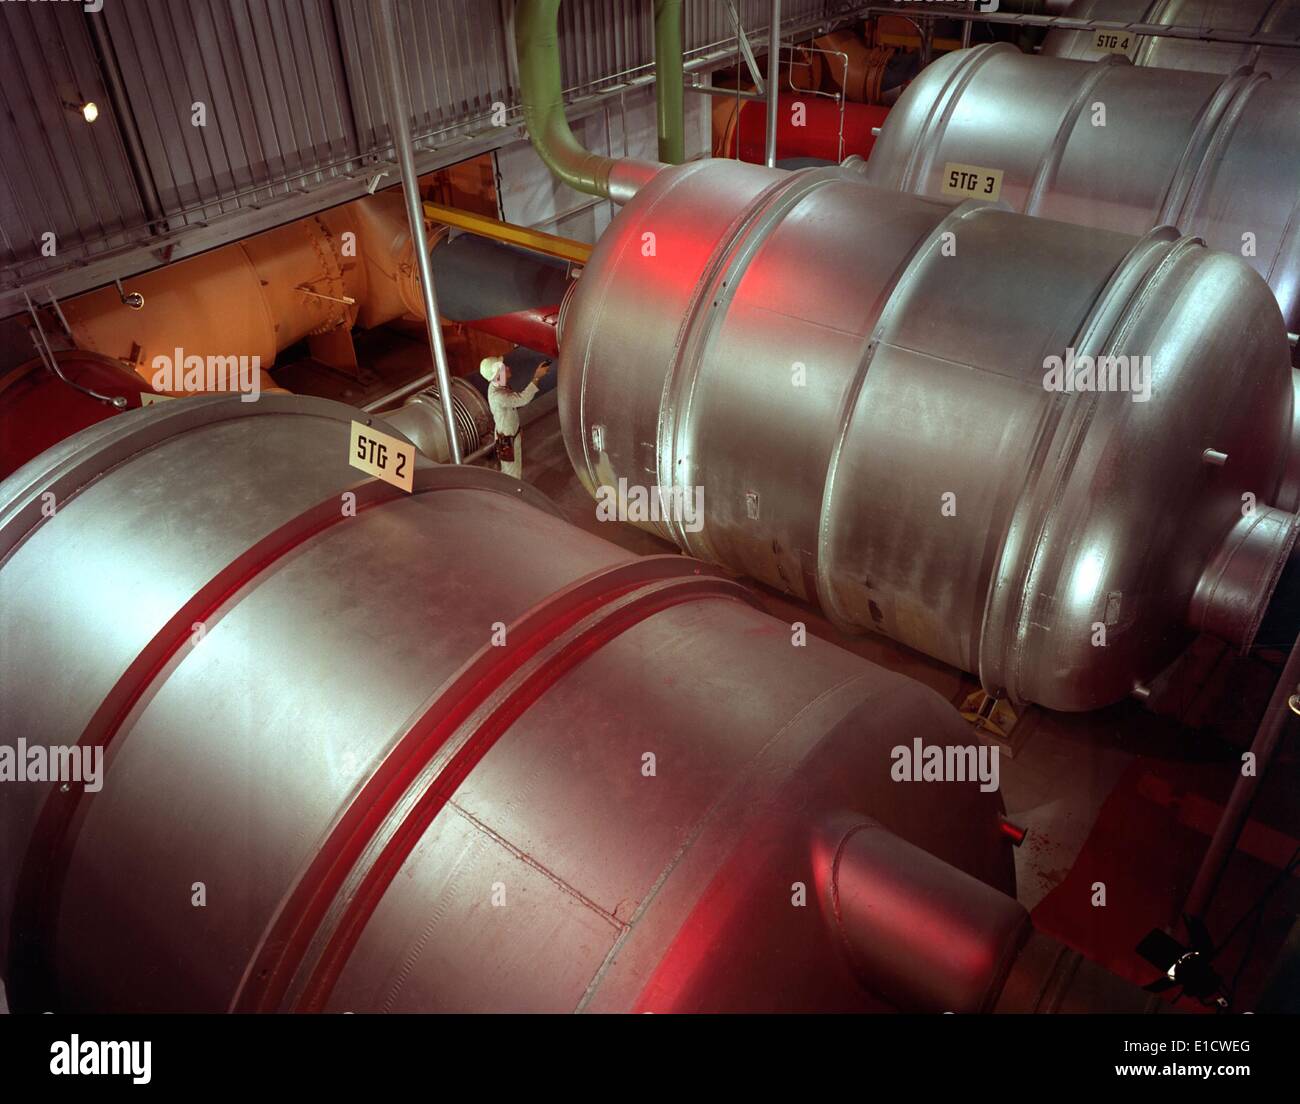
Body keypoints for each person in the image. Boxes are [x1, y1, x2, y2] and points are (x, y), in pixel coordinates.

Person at [480, 354, 550, 479]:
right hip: (507, 440)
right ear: (497, 376)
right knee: (512, 474)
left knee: (511, 468)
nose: (507, 368)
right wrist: (537, 377)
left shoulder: (498, 385)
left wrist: (517, 430)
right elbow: (522, 399)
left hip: (510, 435)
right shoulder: (498, 396)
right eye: (503, 368)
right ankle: (512, 495)